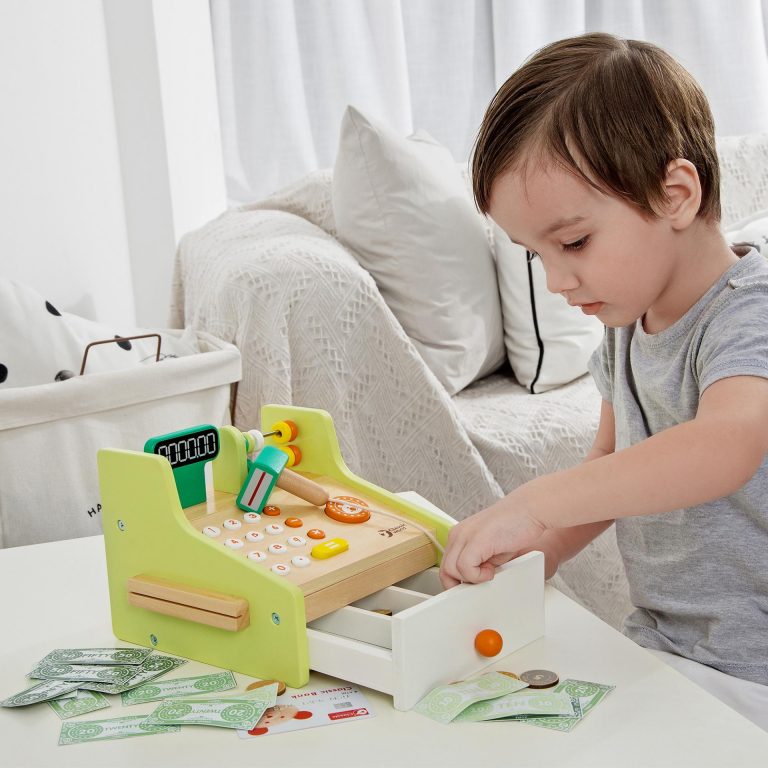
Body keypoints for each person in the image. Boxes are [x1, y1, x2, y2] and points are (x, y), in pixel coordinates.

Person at [438, 32, 768, 731]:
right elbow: (611, 474)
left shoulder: (750, 311)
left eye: (575, 243)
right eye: (537, 256)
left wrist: (536, 500)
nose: (557, 281)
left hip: (754, 673)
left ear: (676, 194)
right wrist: (532, 555)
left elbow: (727, 444)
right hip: (668, 650)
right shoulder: (629, 324)